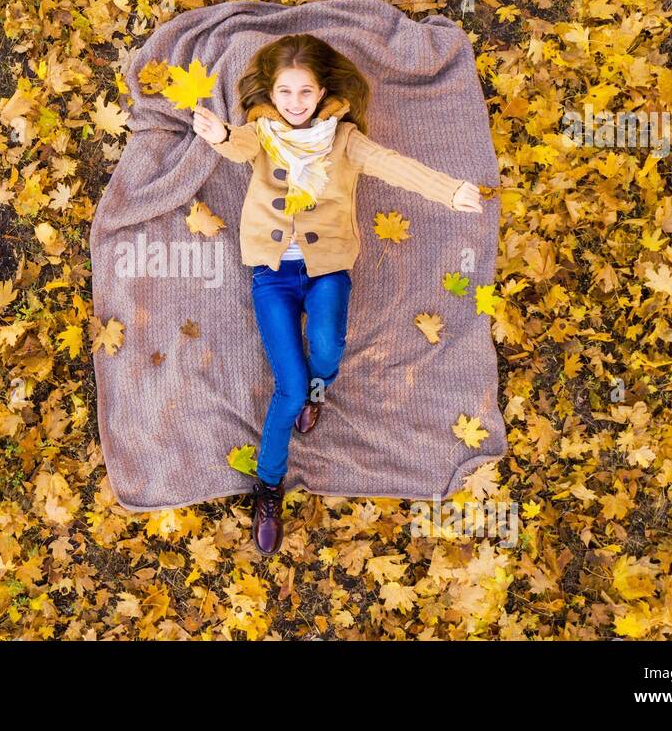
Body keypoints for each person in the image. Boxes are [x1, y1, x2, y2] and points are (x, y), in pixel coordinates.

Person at [191, 34, 484, 555]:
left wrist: (450, 190)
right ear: (272, 93)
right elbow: (239, 145)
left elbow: (395, 165)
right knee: (289, 387)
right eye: (285, 92)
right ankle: (268, 484)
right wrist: (218, 134)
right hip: (273, 273)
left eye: (305, 93)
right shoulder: (262, 131)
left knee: (326, 350)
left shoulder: (343, 139)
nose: (295, 104)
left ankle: (321, 389)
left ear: (323, 91)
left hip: (328, 270)